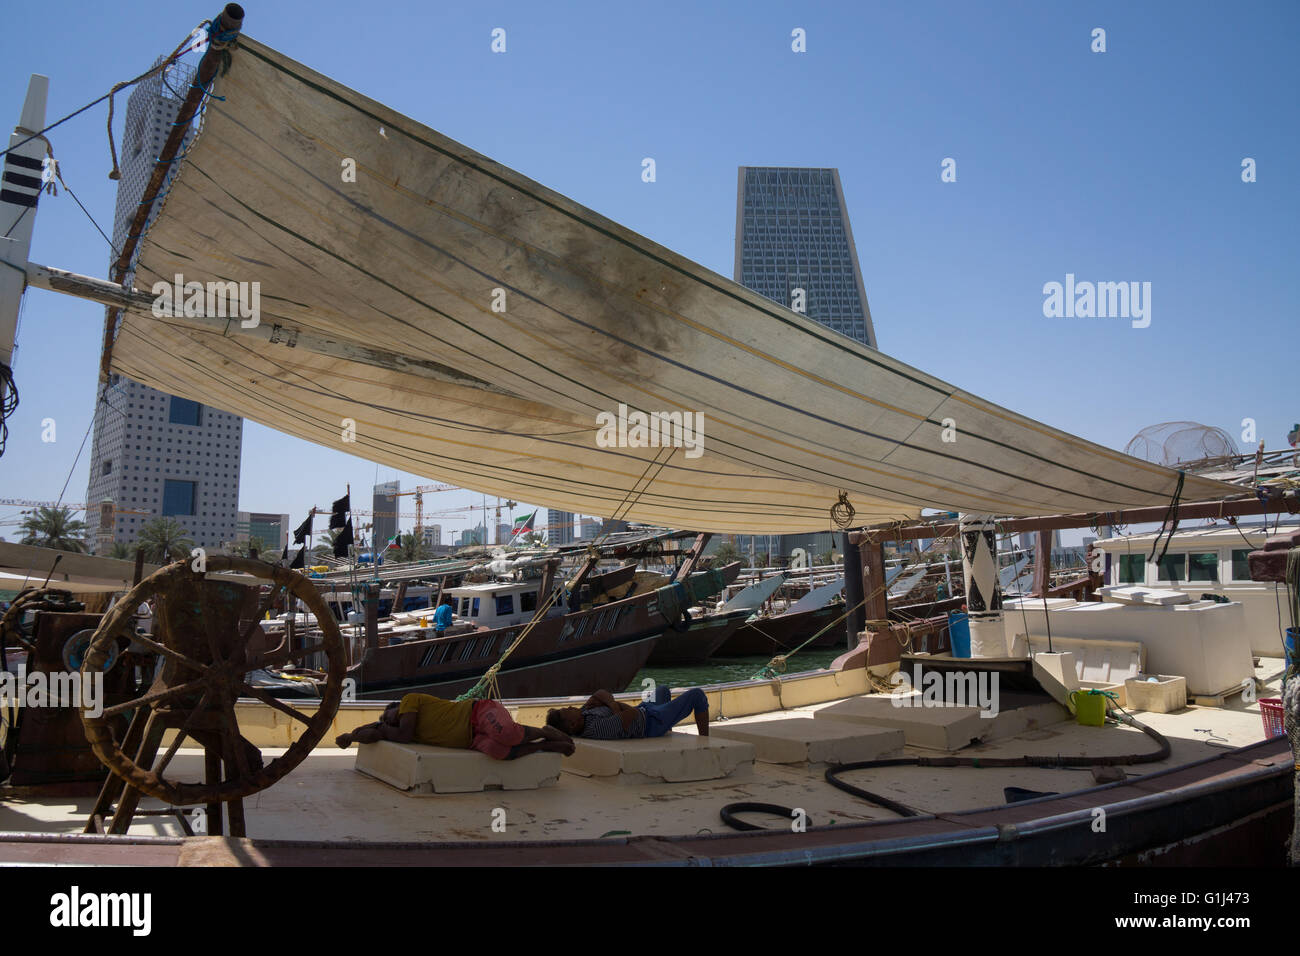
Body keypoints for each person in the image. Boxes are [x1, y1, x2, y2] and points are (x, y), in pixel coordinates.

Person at [336, 692, 574, 759]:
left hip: (477, 713)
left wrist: (384, 729)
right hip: (471, 741)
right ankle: (548, 746)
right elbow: (369, 733)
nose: (388, 719)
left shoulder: (409, 701)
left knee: (507, 733)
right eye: (385, 720)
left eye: (389, 714)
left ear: (396, 706)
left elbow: (404, 734)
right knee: (500, 752)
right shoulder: (393, 727)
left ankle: (545, 731)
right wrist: (351, 736)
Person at [547, 687, 709, 740]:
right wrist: (613, 704)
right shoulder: (596, 728)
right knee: (697, 695)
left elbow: (601, 692)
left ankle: (667, 727)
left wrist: (610, 704)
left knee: (662, 690)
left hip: (645, 710)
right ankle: (705, 743)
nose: (569, 707)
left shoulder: (583, 715)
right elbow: (632, 714)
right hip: (650, 722)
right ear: (572, 724)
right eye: (567, 711)